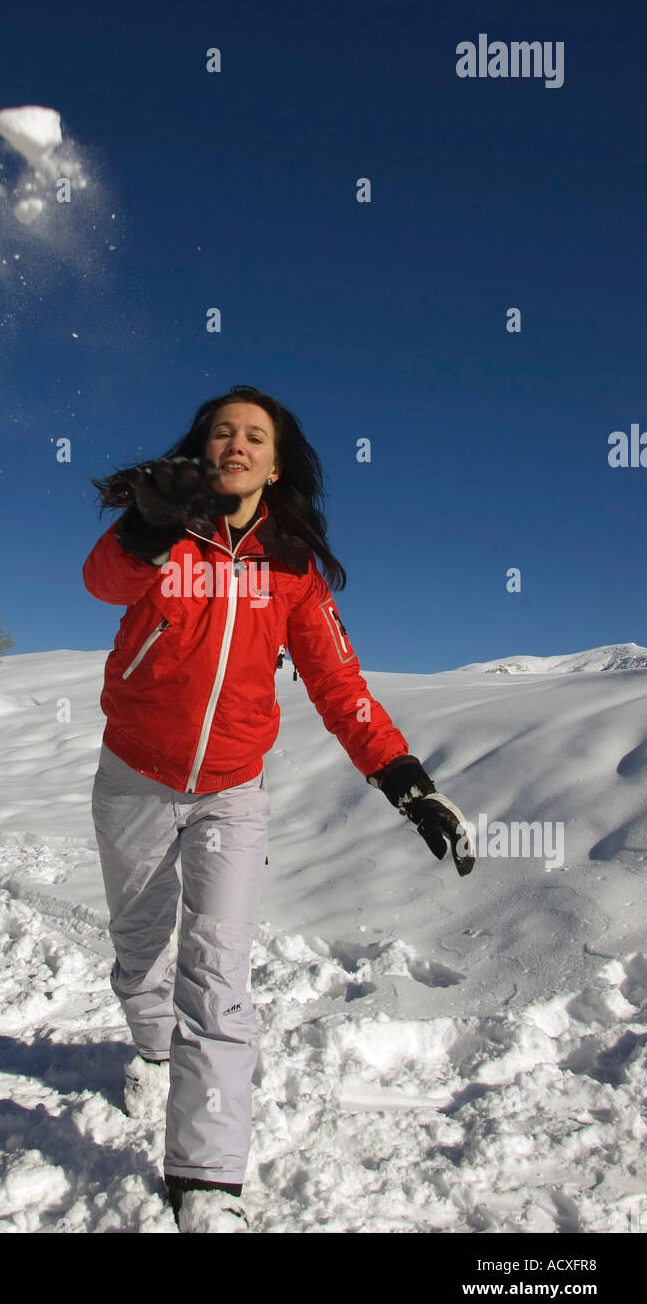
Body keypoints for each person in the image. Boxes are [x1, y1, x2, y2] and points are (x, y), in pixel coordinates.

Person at [82, 383, 475, 1232]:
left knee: (218, 976)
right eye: (223, 431)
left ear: (276, 461)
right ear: (203, 447)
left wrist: (404, 778)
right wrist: (147, 525)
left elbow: (338, 683)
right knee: (138, 946)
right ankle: (151, 1047)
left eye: (255, 435)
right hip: (135, 778)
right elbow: (100, 583)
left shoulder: (292, 568)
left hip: (232, 791)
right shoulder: (165, 533)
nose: (237, 443)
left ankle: (207, 1183)